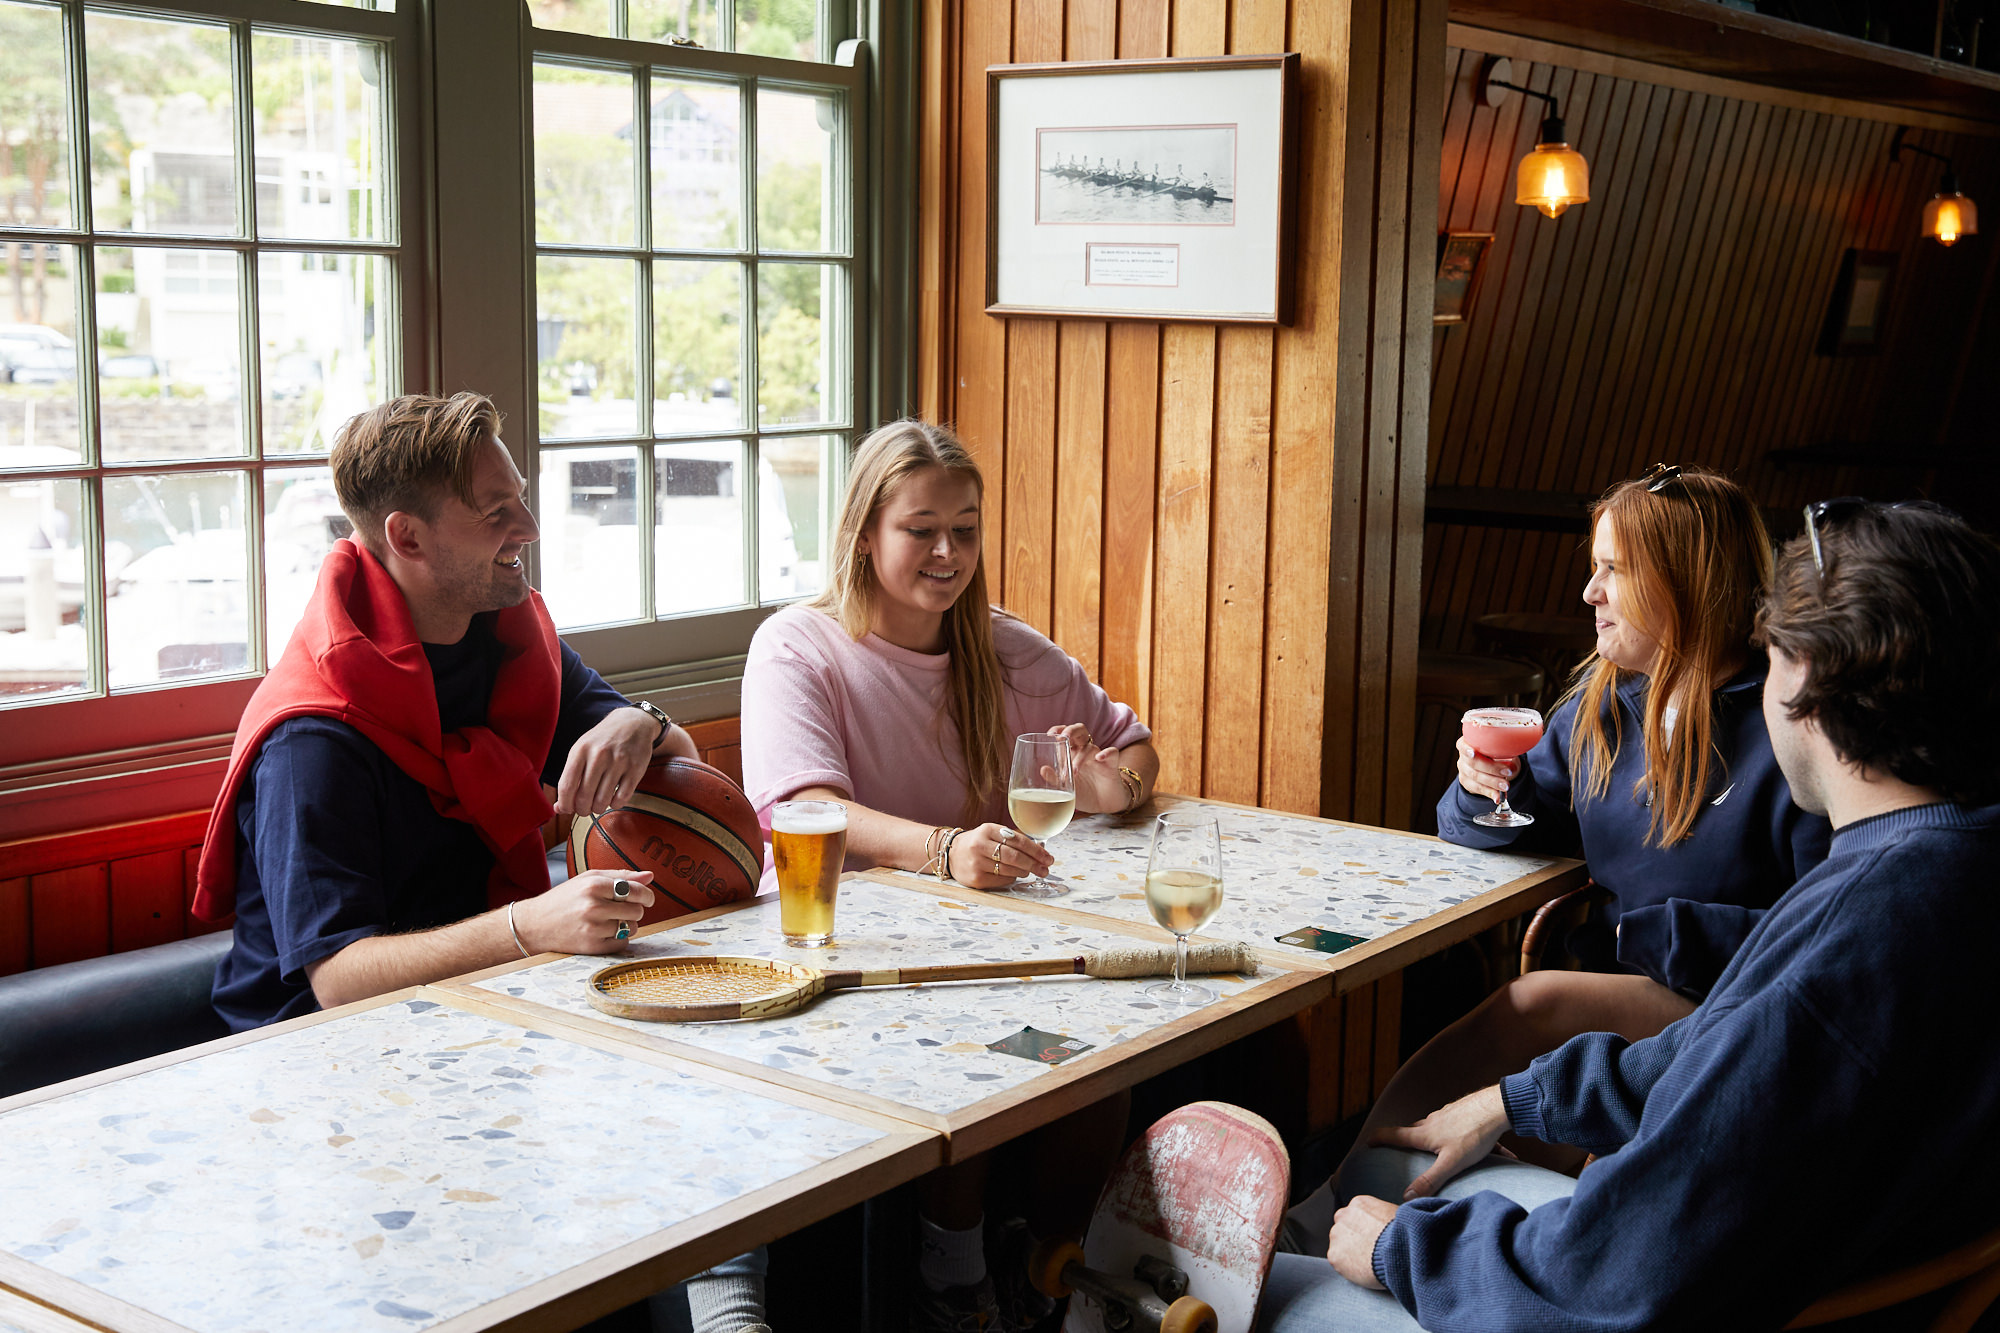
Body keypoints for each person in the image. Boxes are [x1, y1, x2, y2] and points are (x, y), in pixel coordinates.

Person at [1258, 498, 2000, 1330]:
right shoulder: (1949, 863)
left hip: (1730, 1299)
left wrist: (1406, 1251)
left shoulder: (1854, 940)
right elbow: (1730, 1047)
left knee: (1249, 1297)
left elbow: (1617, 1275)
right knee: (1404, 1184)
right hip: (1843, 1259)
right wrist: (1517, 1101)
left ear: (1808, 681)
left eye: (1773, 650)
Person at [194, 392, 766, 1333]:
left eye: (522, 499)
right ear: (407, 537)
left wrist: (643, 718)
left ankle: (725, 1300)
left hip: (482, 1026)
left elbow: (681, 772)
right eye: (496, 513)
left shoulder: (508, 633)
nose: (530, 529)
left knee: (723, 1068)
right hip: (313, 1078)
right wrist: (528, 927)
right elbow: (337, 979)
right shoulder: (315, 732)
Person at [1284, 466, 1830, 1247]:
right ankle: (1372, 1216)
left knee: (1532, 1005)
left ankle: (1333, 1217)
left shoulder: (1784, 728)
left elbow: (1828, 923)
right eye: (1594, 567)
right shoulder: (1602, 707)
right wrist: (1480, 787)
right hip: (1614, 988)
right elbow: (1482, 830)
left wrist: (1652, 936)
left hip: (1737, 1007)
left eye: (1613, 570)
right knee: (1535, 1039)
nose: (1589, 592)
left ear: (1686, 581)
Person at [741, 419, 1161, 1332]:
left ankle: (1048, 1276)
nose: (947, 551)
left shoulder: (1006, 647)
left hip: (985, 940)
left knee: (1116, 1041)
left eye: (964, 530)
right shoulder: (797, 646)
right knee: (994, 1034)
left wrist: (1106, 785)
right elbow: (804, 810)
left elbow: (1134, 745)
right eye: (920, 528)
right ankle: (953, 1270)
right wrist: (944, 848)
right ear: (863, 532)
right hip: (832, 950)